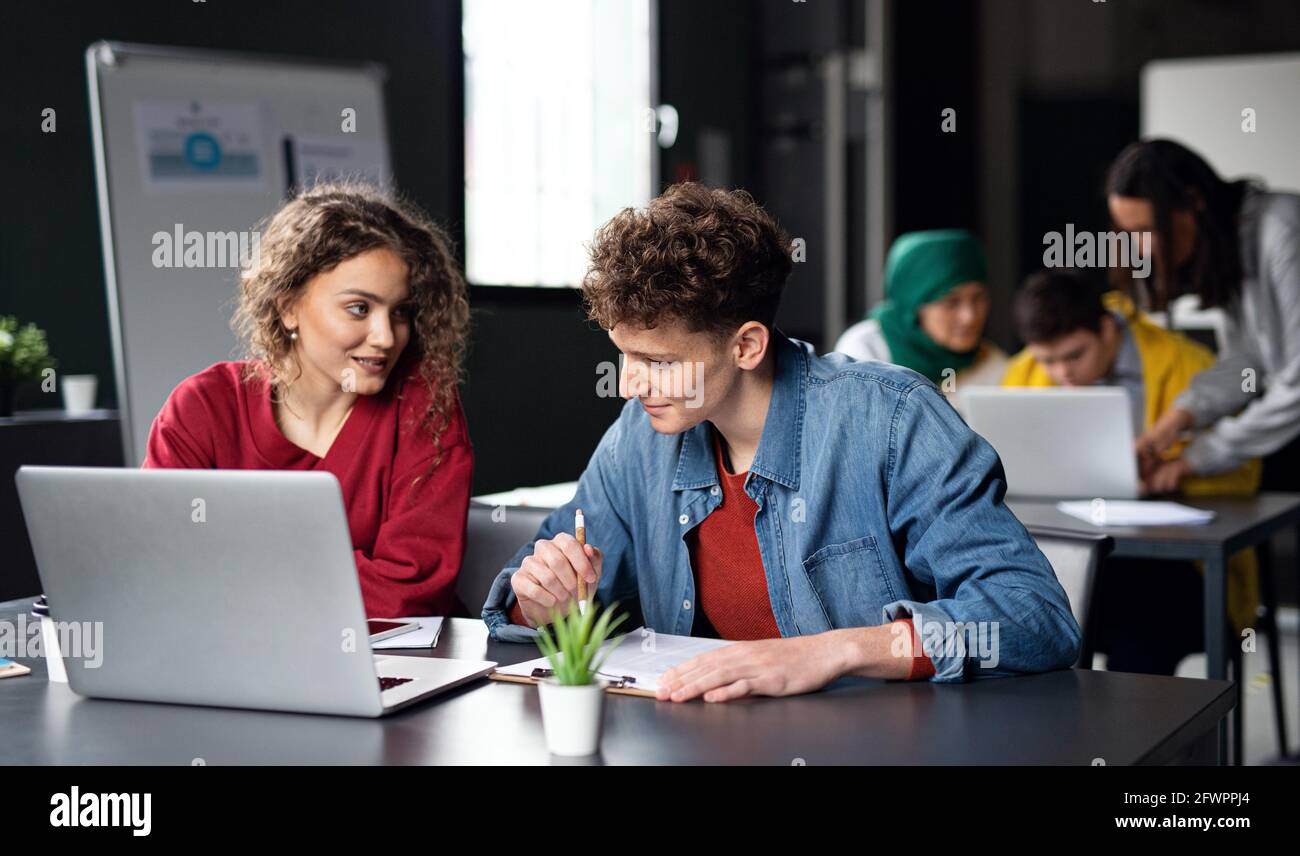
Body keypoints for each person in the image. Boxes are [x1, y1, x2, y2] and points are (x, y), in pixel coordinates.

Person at [482, 183, 1079, 703]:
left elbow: (1033, 617)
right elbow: (541, 596)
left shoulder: (891, 420)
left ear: (746, 346)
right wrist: (540, 603)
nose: (629, 385)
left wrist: (833, 652)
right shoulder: (640, 439)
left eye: (658, 362)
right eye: (624, 357)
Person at [144, 182, 474, 619]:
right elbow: (158, 566)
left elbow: (407, 592)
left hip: (396, 665)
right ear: (288, 307)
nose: (386, 337)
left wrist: (235, 567)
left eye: (401, 312)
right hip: (226, 660)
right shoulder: (201, 408)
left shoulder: (424, 409)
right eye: (359, 308)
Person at [1004, 269, 1261, 673]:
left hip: (1179, 570)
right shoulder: (1022, 374)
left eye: (1074, 355)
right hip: (1084, 562)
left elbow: (1246, 473)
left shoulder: (1188, 365)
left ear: (1107, 330)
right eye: (1047, 360)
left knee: (1142, 636)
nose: (1061, 373)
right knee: (1026, 618)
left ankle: (1134, 734)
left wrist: (1180, 473)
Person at [1104, 139, 1300, 495]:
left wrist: (1197, 458)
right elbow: (1248, 365)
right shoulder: (1235, 243)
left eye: (1149, 230)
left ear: (1194, 202)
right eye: (1132, 235)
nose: (1143, 250)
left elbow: (1296, 384)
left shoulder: (1284, 232)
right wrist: (1177, 420)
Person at [835, 229, 1007, 415]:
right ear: (914, 307)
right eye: (951, 302)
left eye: (978, 298)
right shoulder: (864, 352)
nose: (969, 316)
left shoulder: (994, 365)